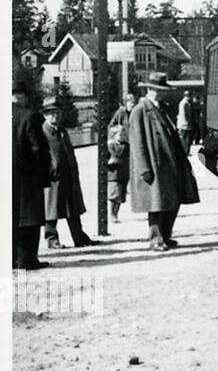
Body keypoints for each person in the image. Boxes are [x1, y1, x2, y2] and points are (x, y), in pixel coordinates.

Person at [129, 72, 200, 251]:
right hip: (154, 165)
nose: (159, 94)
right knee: (156, 204)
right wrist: (143, 168)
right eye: (156, 90)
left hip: (168, 165)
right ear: (148, 90)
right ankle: (156, 239)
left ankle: (166, 236)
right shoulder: (140, 111)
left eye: (161, 90)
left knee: (171, 202)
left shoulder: (162, 109)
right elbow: (137, 143)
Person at [42, 96, 97, 248]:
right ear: (45, 115)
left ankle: (80, 238)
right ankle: (52, 239)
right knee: (51, 209)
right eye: (51, 113)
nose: (55, 116)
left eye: (58, 112)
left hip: (68, 175)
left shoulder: (62, 131)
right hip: (53, 178)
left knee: (72, 208)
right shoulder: (43, 131)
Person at [12, 83, 52, 269]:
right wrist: (43, 175)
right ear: (23, 96)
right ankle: (26, 259)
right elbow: (39, 150)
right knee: (27, 218)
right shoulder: (29, 116)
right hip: (25, 179)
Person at [106, 123, 130, 221]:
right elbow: (113, 156)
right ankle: (112, 213)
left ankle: (116, 213)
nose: (123, 137)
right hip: (114, 174)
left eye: (124, 135)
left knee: (121, 196)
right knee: (115, 194)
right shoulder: (111, 145)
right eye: (120, 135)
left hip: (123, 173)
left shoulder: (126, 145)